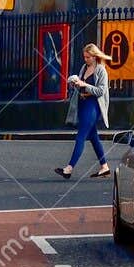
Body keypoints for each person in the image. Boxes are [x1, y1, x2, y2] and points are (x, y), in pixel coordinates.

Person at [56, 43, 112, 179]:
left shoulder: (101, 70)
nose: (85, 59)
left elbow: (101, 91)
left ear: (95, 56)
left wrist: (84, 84)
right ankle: (104, 167)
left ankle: (69, 169)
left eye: (88, 57)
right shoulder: (84, 67)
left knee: (80, 136)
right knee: (93, 137)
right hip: (82, 103)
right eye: (84, 57)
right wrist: (75, 84)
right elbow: (80, 86)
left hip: (93, 106)